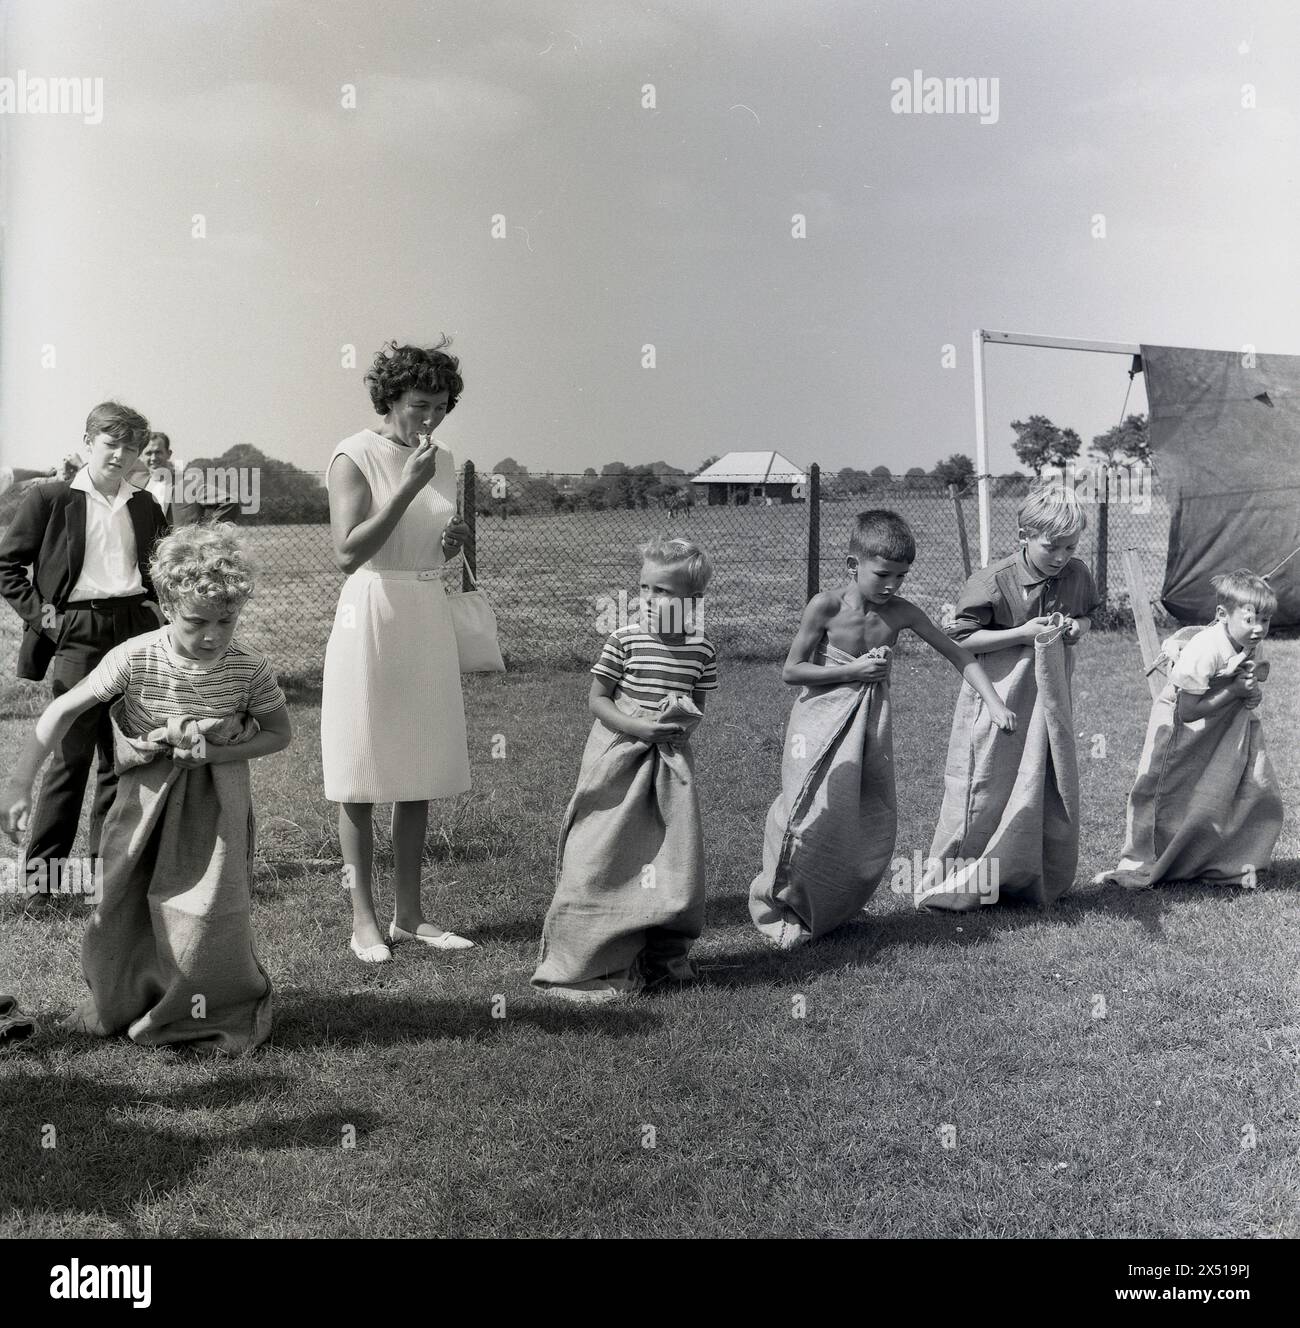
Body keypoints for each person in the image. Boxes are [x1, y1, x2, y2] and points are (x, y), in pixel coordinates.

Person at [1, 523, 291, 1053]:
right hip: (141, 802)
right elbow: (63, 710)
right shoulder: (136, 657)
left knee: (204, 911)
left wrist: (217, 751)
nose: (212, 636)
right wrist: (19, 782)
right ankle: (120, 1002)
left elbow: (279, 733)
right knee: (119, 904)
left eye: (226, 621)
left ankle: (204, 1009)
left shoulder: (248, 669)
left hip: (214, 811)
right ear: (165, 605)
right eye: (196, 622)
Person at [749, 510, 1015, 948]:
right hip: (816, 722)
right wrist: (852, 669)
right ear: (853, 566)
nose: (893, 585)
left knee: (863, 813)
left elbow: (959, 655)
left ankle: (832, 907)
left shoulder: (903, 613)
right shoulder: (825, 606)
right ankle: (779, 905)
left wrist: (994, 701)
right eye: (883, 574)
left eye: (902, 575)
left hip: (870, 725)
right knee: (804, 811)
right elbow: (791, 671)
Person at [323, 340, 475, 963]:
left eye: (442, 407)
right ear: (390, 399)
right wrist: (409, 488)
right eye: (420, 405)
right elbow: (348, 552)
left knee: (420, 768)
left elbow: (422, 546)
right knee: (361, 769)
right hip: (370, 614)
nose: (431, 419)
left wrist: (450, 545)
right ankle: (364, 921)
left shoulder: (444, 458)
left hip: (423, 610)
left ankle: (409, 915)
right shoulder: (352, 455)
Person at [533, 538, 718, 1000]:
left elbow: (697, 704)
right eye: (644, 588)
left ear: (693, 600)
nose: (650, 600)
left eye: (664, 591)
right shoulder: (625, 640)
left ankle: (660, 955)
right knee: (600, 852)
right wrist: (639, 725)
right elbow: (597, 699)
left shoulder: (700, 650)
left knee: (669, 854)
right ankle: (584, 959)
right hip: (617, 758)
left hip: (668, 767)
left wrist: (678, 725)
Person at [0, 402, 168, 894]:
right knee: (70, 756)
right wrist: (48, 619)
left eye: (130, 446)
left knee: (121, 756)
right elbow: (8, 566)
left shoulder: (145, 504)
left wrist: (157, 613)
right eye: (110, 443)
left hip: (135, 630)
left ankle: (106, 875)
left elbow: (159, 568)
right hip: (77, 632)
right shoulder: (51, 498)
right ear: (89, 442)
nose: (120, 454)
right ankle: (41, 881)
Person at [917, 483, 1100, 912]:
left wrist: (1077, 627)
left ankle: (1023, 872)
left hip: (1051, 699)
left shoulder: (1077, 575)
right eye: (1051, 546)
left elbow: (1088, 614)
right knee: (984, 783)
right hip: (997, 694)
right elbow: (961, 639)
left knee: (1044, 782)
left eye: (1070, 547)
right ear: (1024, 536)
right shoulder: (992, 581)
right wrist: (1021, 633)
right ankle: (949, 877)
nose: (1060, 557)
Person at [1097, 571, 1281, 891]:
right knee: (1172, 795)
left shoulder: (1252, 641)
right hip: (1183, 729)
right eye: (1251, 619)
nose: (1259, 629)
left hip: (1227, 727)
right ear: (1223, 615)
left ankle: (1222, 857)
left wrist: (1250, 692)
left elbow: (1250, 690)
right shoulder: (1205, 648)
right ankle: (1157, 857)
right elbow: (1187, 711)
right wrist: (1234, 691)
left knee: (1245, 789)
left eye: (1265, 621)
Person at [137, 431, 197, 525]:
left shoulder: (188, 483)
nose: (153, 458)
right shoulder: (137, 486)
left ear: (169, 454)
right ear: (140, 456)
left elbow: (227, 502)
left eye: (158, 452)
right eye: (148, 453)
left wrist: (209, 533)